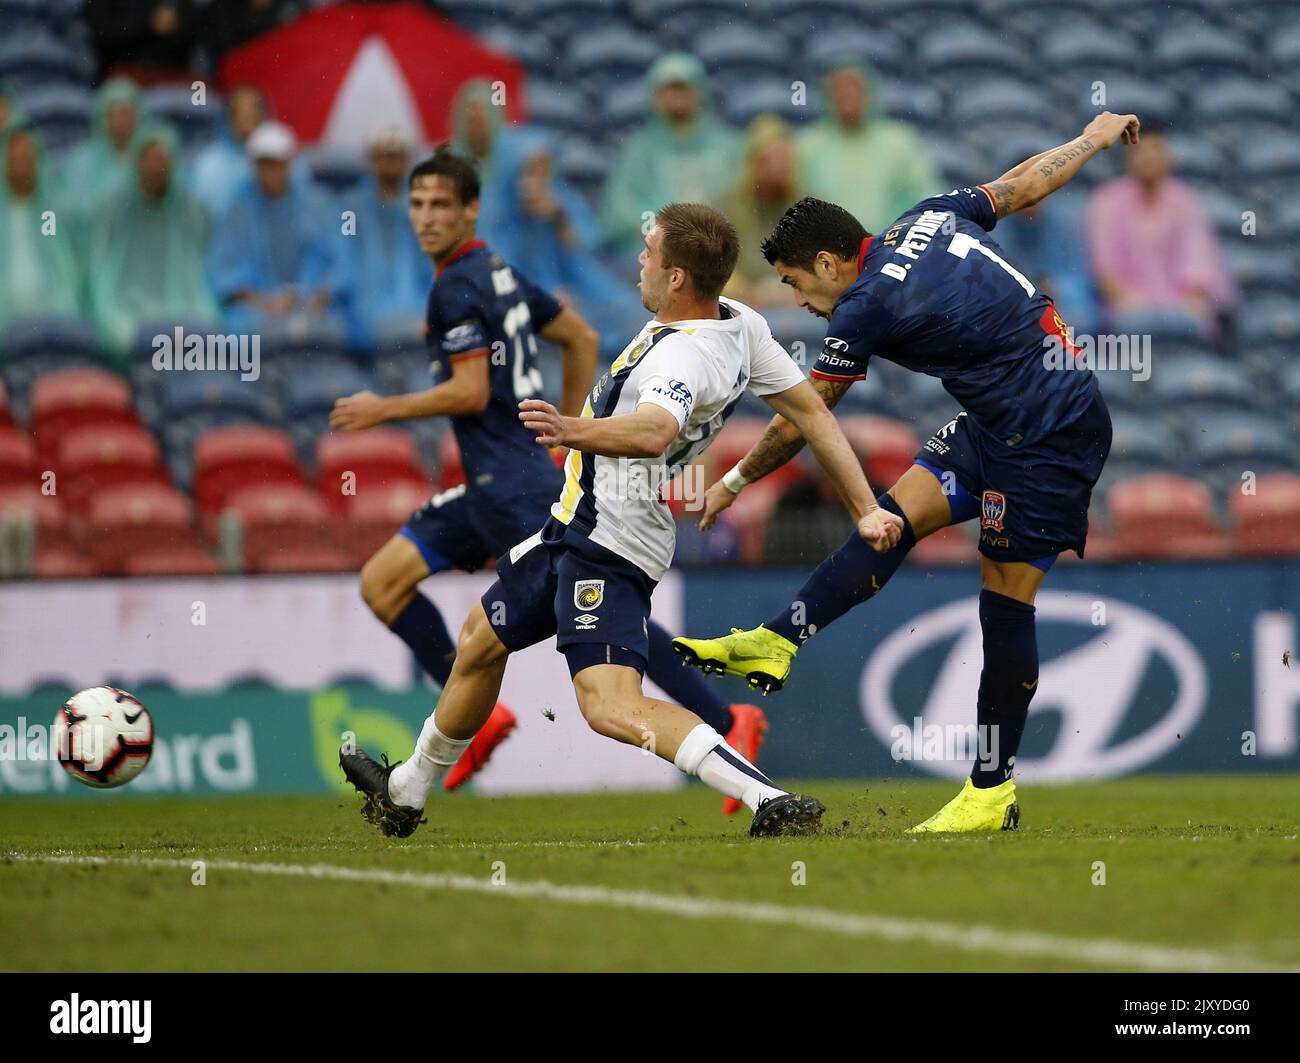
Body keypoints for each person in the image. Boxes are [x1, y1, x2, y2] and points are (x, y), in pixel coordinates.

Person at [340, 200, 895, 838]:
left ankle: (766, 797)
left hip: (609, 540)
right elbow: (814, 413)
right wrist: (865, 507)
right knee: (478, 640)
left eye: (648, 254)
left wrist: (573, 428)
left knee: (608, 706)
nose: (640, 264)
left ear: (678, 276)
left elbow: (656, 429)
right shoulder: (739, 324)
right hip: (571, 526)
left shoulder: (681, 358)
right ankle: (406, 792)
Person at [674, 113, 1141, 834]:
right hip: (1003, 419)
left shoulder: (864, 305)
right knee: (895, 515)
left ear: (829, 263)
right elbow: (1020, 185)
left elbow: (807, 415)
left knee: (1004, 598)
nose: (799, 299)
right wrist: (1092, 135)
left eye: (797, 282)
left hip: (1051, 434)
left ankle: (991, 791)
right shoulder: (924, 218)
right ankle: (780, 637)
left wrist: (733, 482)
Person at [330, 154, 768, 809]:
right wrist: (571, 434)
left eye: (440, 205)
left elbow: (475, 388)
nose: (425, 218)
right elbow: (579, 334)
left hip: (513, 484)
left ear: (471, 209)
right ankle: (435, 756)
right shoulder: (497, 271)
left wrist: (384, 409)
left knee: (592, 616)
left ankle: (725, 718)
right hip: (499, 481)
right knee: (388, 582)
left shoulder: (457, 287)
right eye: (417, 204)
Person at [477, 127, 643, 359]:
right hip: (523, 299)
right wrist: (544, 295)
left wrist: (558, 218)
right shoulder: (495, 212)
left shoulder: (562, 199)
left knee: (630, 315)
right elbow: (498, 270)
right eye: (529, 172)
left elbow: (589, 252)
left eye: (542, 171)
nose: (536, 180)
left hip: (579, 290)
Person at [1086, 127, 1233, 340]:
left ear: (1168, 158)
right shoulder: (1107, 202)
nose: (1148, 157)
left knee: (1194, 322)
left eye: (1155, 150)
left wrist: (1190, 300)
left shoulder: (1184, 201)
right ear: (1128, 159)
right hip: (1127, 304)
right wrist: (1128, 301)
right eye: (1141, 151)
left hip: (1180, 303)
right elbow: (1104, 266)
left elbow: (1200, 260)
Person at [87, 121, 217, 356]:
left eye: (162, 160)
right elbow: (103, 276)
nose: (155, 168)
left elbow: (200, 275)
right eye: (149, 159)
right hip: (127, 317)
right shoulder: (114, 209)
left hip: (186, 314)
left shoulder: (191, 211)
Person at [207, 120, 344, 333]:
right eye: (263, 163)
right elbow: (225, 272)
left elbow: (336, 261)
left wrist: (315, 298)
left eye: (276, 163)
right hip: (256, 311)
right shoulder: (239, 208)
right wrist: (263, 303)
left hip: (311, 307)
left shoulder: (315, 204)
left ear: (289, 163)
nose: (270, 171)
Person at [599, 52, 739, 258]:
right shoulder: (638, 151)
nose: (676, 97)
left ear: (699, 91)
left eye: (682, 88)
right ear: (654, 96)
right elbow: (620, 212)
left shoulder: (729, 145)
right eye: (668, 90)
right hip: (658, 253)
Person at [796, 61, 939, 234]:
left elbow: (923, 193)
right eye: (839, 91)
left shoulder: (899, 141)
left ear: (868, 94)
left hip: (889, 244)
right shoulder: (808, 144)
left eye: (854, 89)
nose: (847, 96)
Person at [339, 125, 432, 344]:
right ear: (372, 159)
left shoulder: (423, 208)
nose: (391, 162)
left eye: (397, 155)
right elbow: (344, 260)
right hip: (366, 316)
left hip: (415, 311)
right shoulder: (352, 207)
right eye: (384, 155)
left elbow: (430, 265)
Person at [0, 123, 84, 332]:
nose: (22, 165)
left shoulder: (51, 213)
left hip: (51, 310)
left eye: (27, 158)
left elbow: (60, 261)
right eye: (15, 158)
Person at [723, 114, 804, 308]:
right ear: (753, 163)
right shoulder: (729, 207)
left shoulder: (808, 207)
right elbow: (716, 271)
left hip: (798, 305)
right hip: (746, 304)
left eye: (784, 159)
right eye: (769, 159)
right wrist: (752, 293)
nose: (779, 167)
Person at [59, 78, 142, 224]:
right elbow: (72, 211)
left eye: (126, 113)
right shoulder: (81, 160)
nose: (121, 121)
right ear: (103, 117)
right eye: (115, 114)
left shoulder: (150, 157)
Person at [190, 84, 270, 218]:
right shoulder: (209, 165)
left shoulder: (280, 159)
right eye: (242, 114)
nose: (248, 121)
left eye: (254, 113)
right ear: (229, 118)